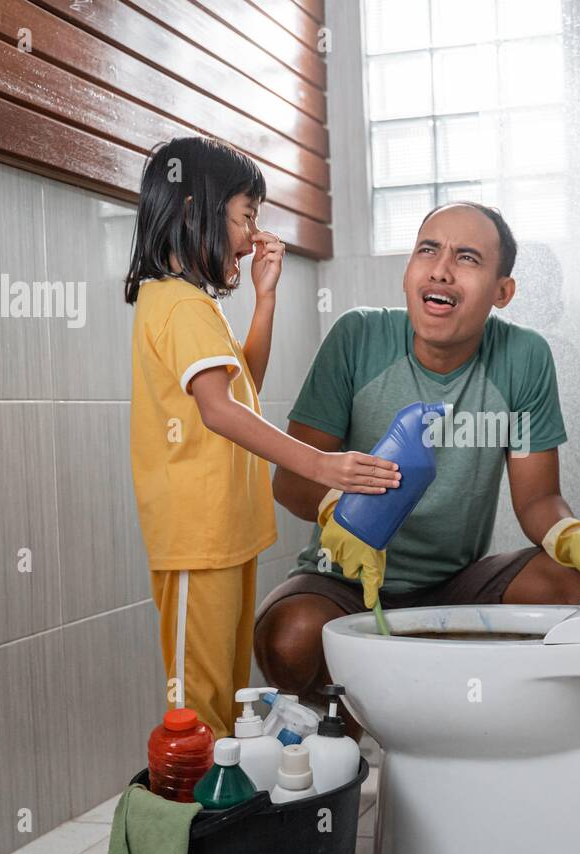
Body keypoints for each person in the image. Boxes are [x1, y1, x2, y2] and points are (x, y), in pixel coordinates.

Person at [254, 201, 580, 738]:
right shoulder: (358, 339)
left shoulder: (524, 358)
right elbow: (292, 478)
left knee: (579, 588)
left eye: (467, 257)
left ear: (502, 292)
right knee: (291, 636)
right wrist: (341, 512)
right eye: (428, 249)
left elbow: (537, 500)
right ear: (409, 270)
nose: (441, 268)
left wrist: (570, 535)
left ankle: (518, 741)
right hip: (345, 579)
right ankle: (344, 744)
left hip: (455, 584)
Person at [124, 137, 399, 740]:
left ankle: (223, 820)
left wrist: (264, 296)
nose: (253, 234)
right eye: (246, 215)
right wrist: (322, 467)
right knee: (196, 707)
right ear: (198, 207)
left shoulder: (192, 303)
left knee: (221, 697)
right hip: (196, 533)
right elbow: (220, 413)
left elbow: (241, 386)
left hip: (221, 531)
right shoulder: (178, 305)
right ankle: (188, 829)